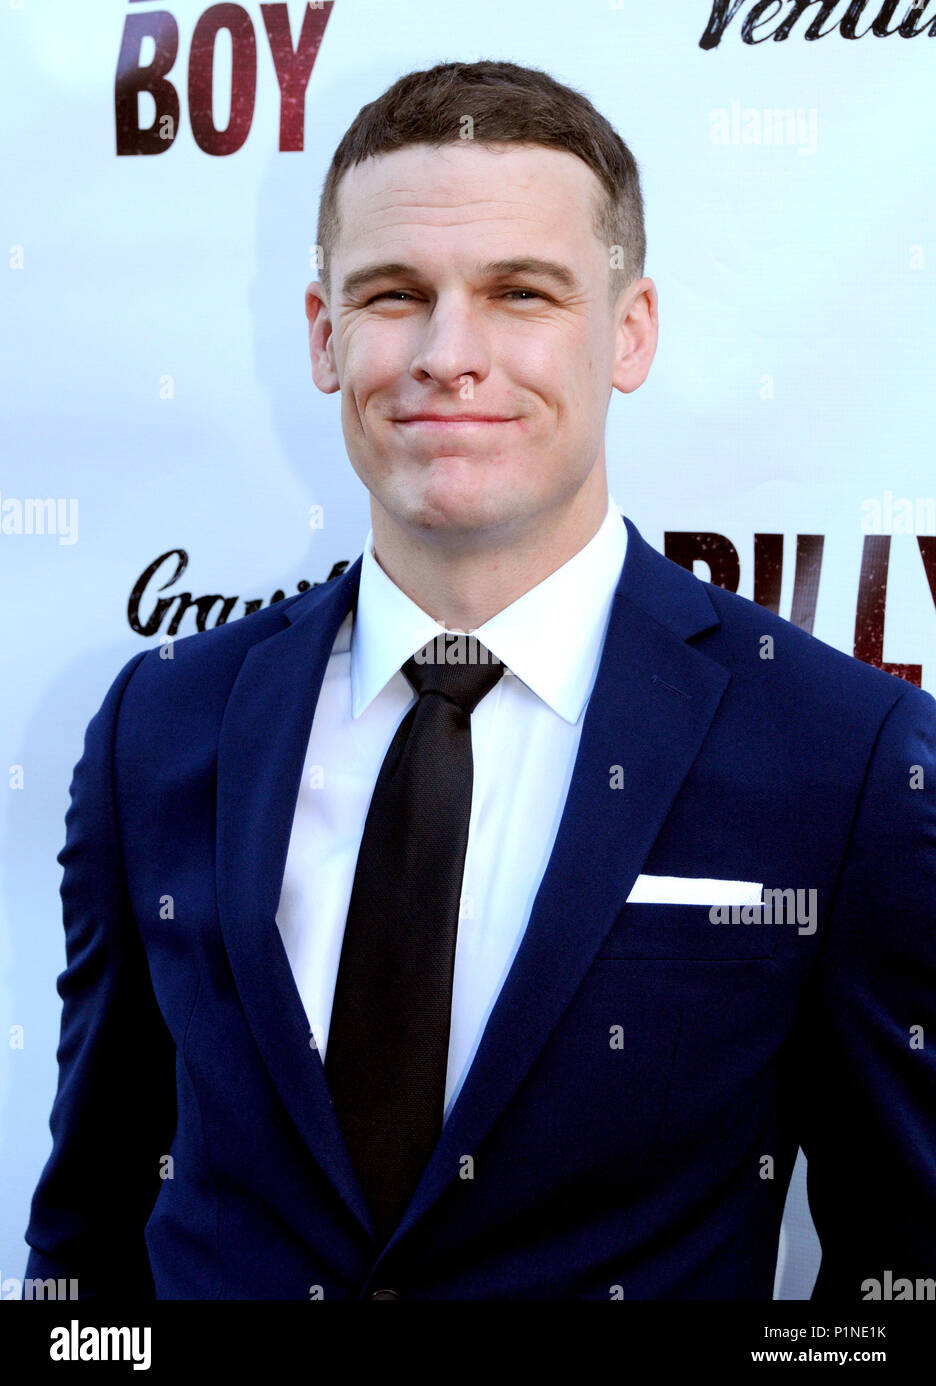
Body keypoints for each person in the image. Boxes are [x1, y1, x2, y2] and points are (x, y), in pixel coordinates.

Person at [24, 59, 936, 1300]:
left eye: (521, 292)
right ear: (322, 335)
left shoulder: (846, 756)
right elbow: (92, 1222)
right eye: (395, 294)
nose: (451, 355)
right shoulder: (161, 727)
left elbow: (904, 1267)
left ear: (630, 331)